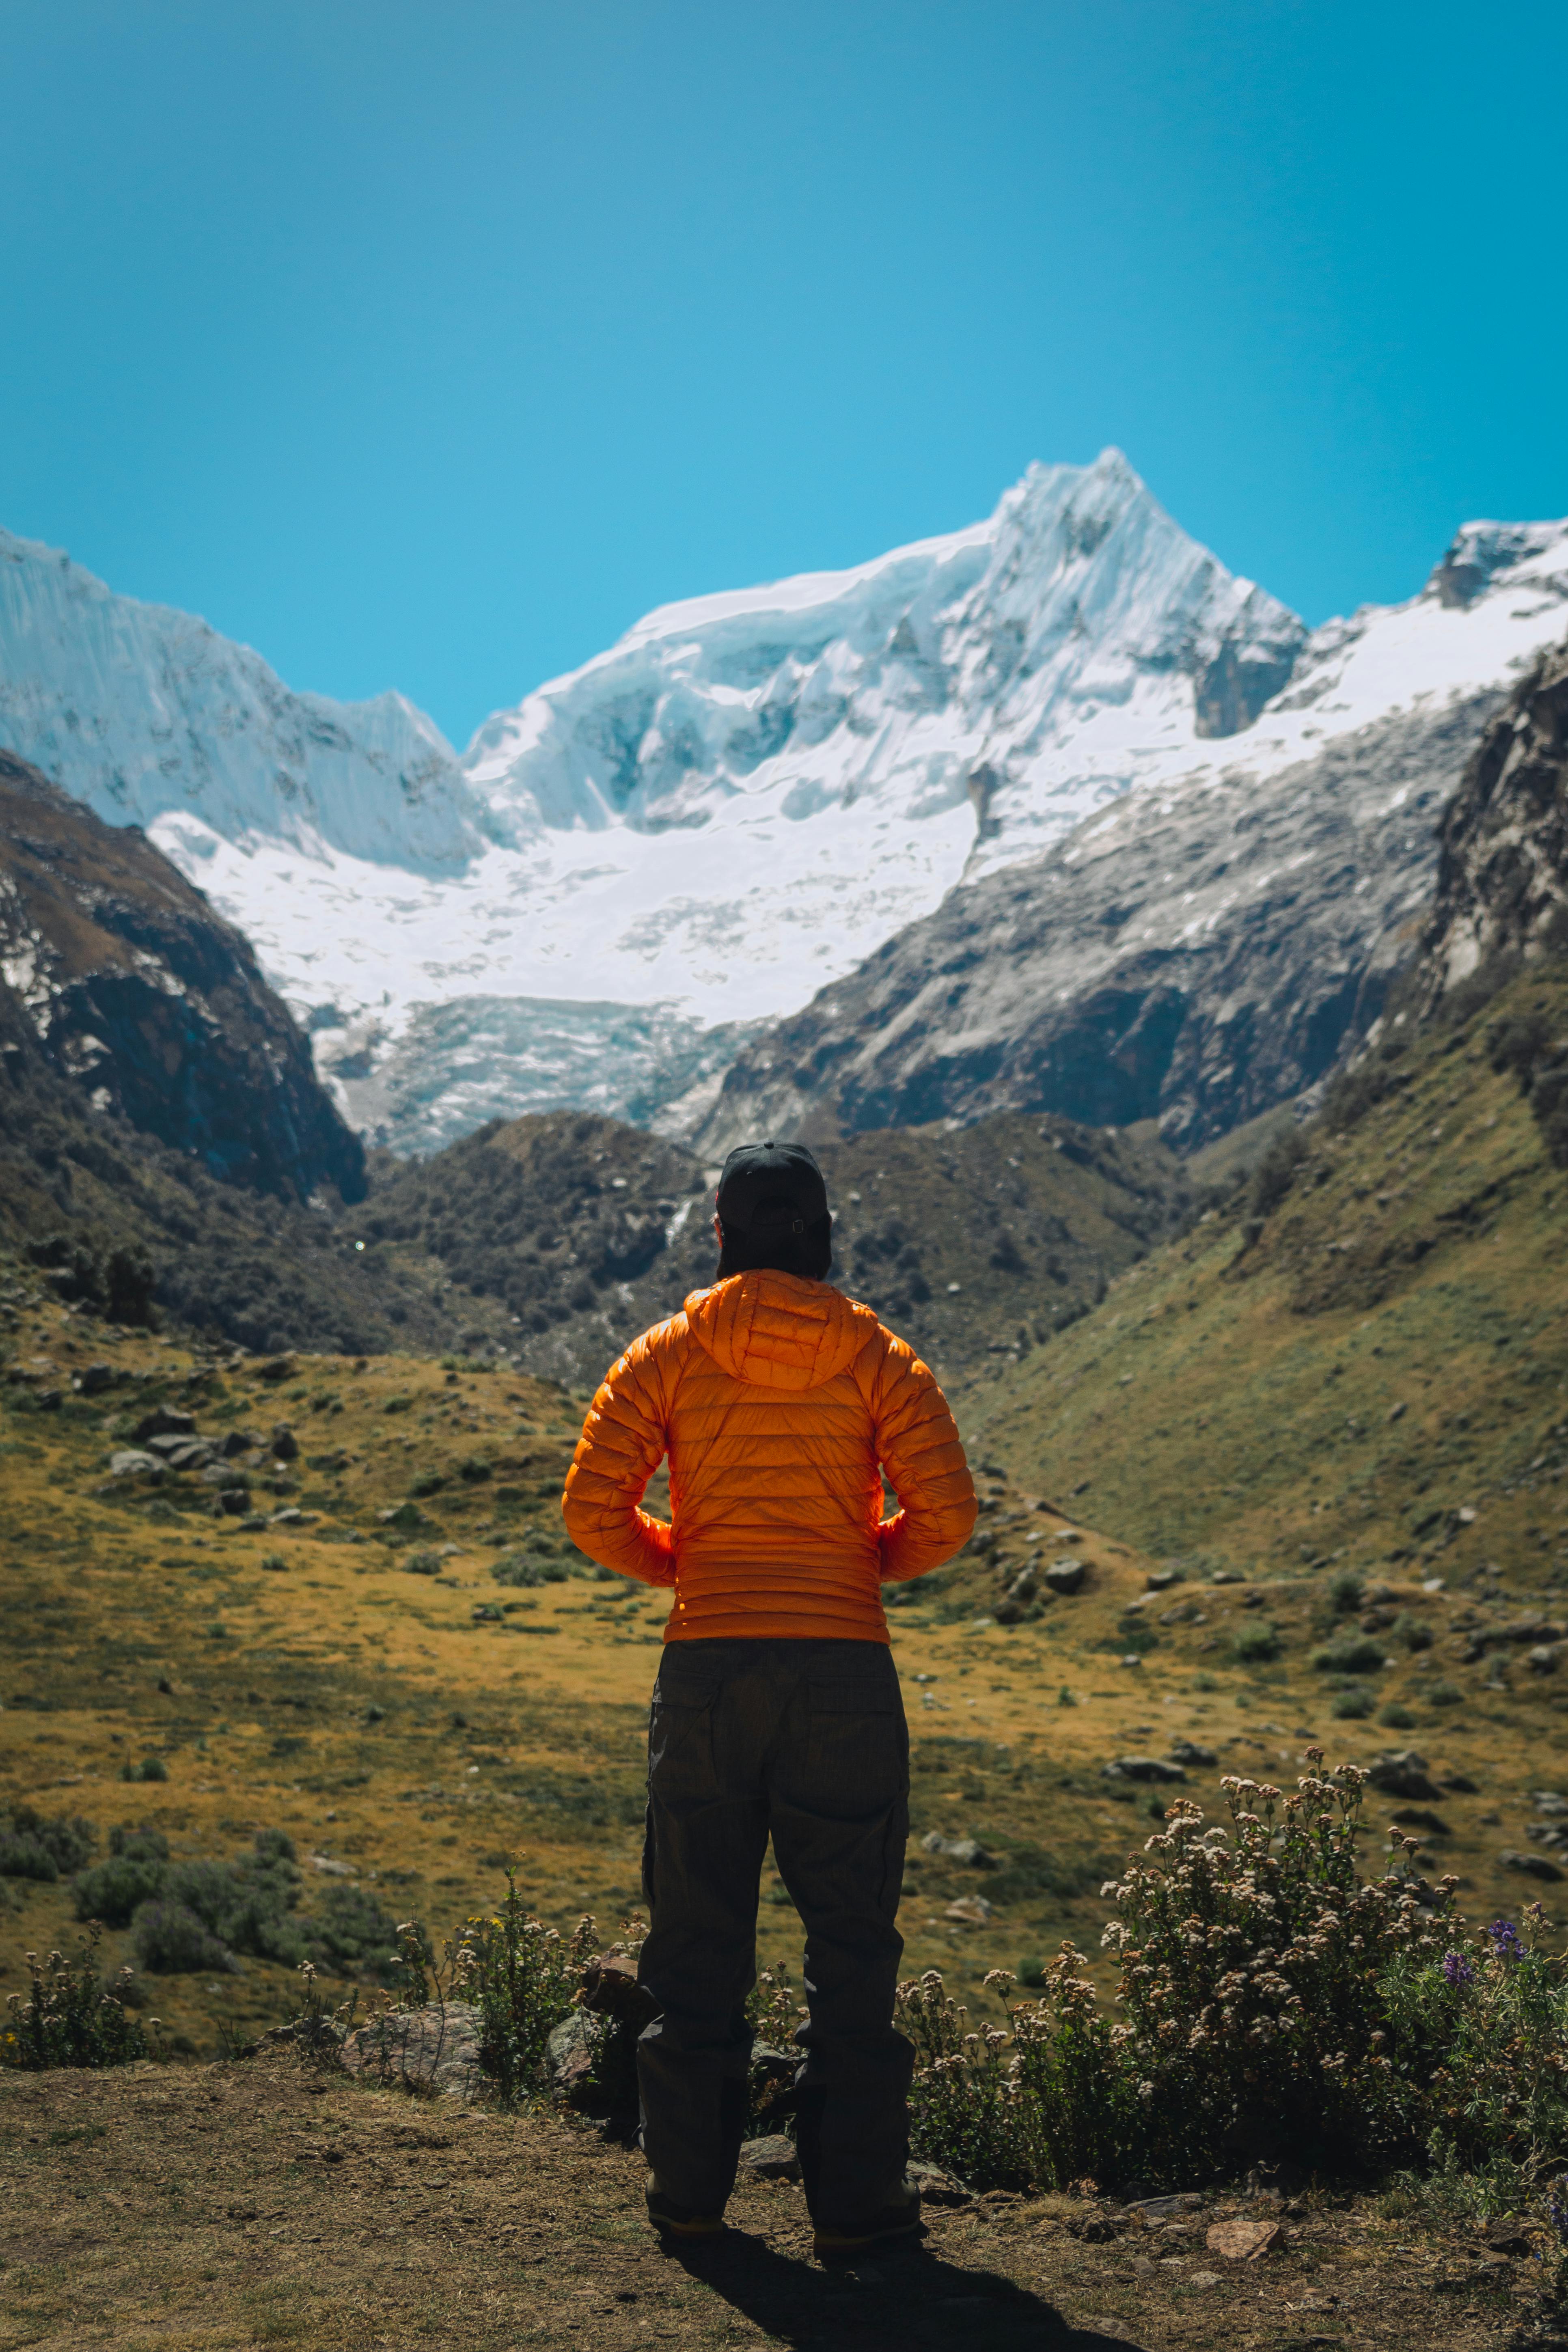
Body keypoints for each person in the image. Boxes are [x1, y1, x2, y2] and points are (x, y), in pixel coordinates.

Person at [561, 1139, 977, 2258]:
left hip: (705, 1664)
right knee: (851, 1944)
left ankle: (690, 2197)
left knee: (697, 1935)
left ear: (722, 1236)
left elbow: (594, 1507)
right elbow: (946, 1514)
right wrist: (856, 1562)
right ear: (825, 1232)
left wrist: (687, 1561)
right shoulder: (882, 1359)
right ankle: (857, 2208)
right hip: (844, 1666)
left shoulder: (667, 1355)